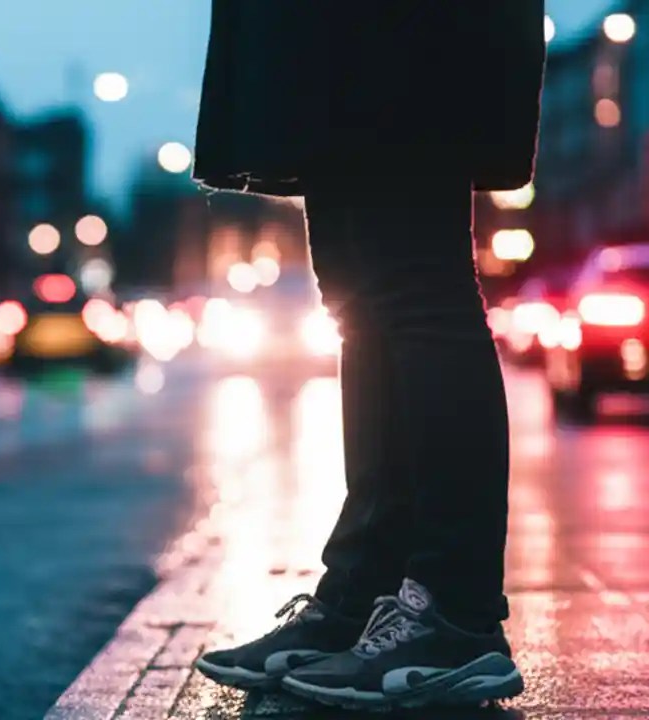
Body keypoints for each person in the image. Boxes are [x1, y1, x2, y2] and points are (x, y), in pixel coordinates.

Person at [189, 1, 546, 711]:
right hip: (328, 34)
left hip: (397, 29)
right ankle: (365, 591)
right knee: (356, 294)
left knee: (417, 286)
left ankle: (454, 609)